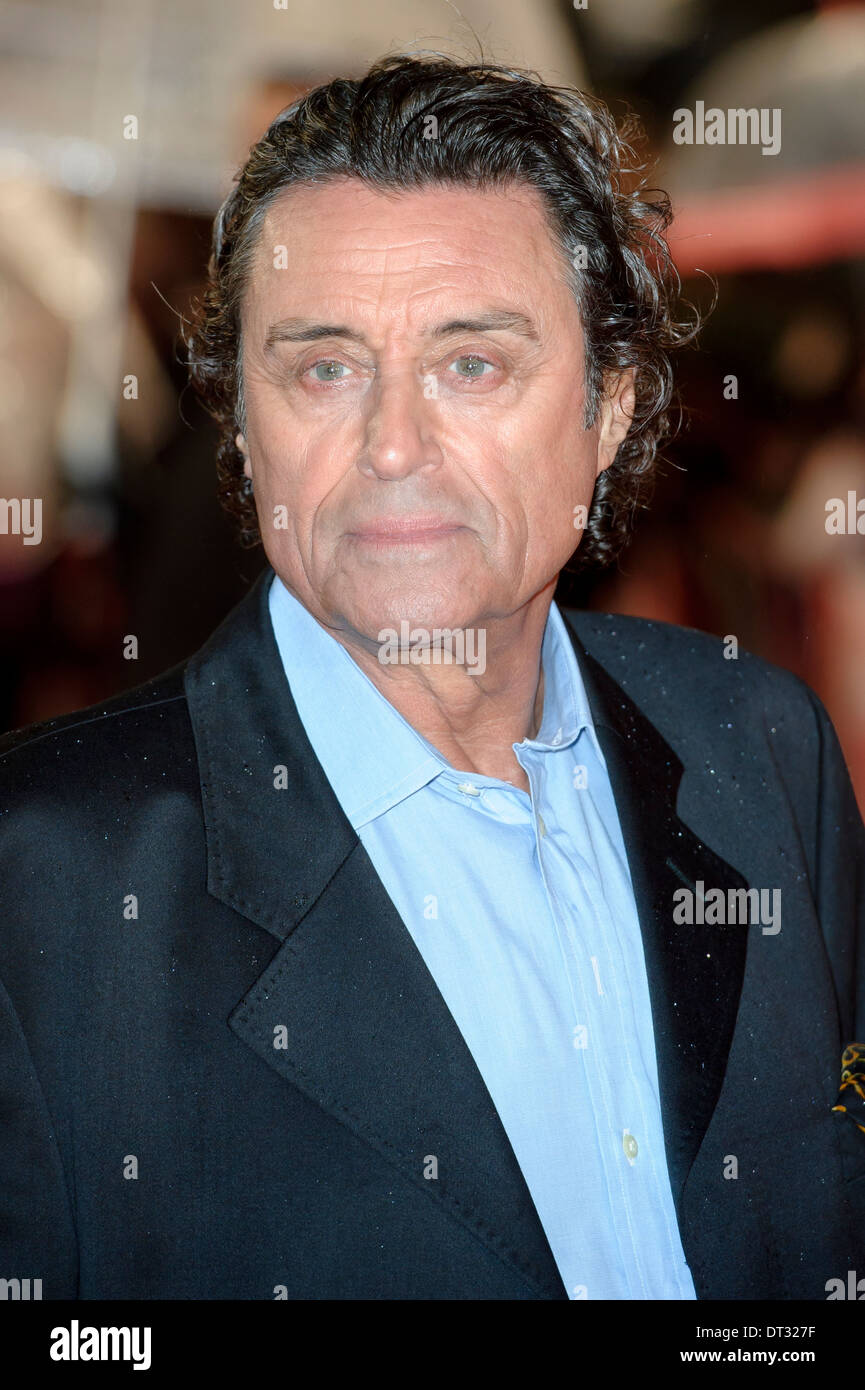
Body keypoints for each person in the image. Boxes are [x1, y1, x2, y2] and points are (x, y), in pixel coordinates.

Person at [1, 54, 863, 1302]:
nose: (392, 443)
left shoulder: (758, 742)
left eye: (472, 364)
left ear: (611, 406)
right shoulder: (47, 885)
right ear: (242, 422)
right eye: (324, 369)